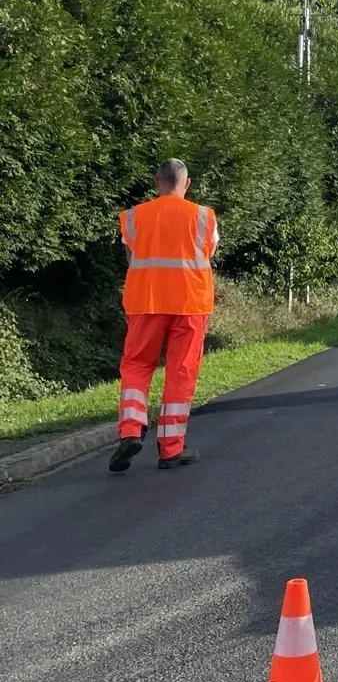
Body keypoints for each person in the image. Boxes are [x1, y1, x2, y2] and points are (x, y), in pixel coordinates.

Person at [109, 159, 218, 473]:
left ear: (157, 181)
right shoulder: (203, 217)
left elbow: (131, 256)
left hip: (145, 302)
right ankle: (171, 449)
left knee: (136, 365)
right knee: (181, 372)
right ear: (187, 183)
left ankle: (131, 429)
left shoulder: (134, 217)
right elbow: (207, 253)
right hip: (190, 305)